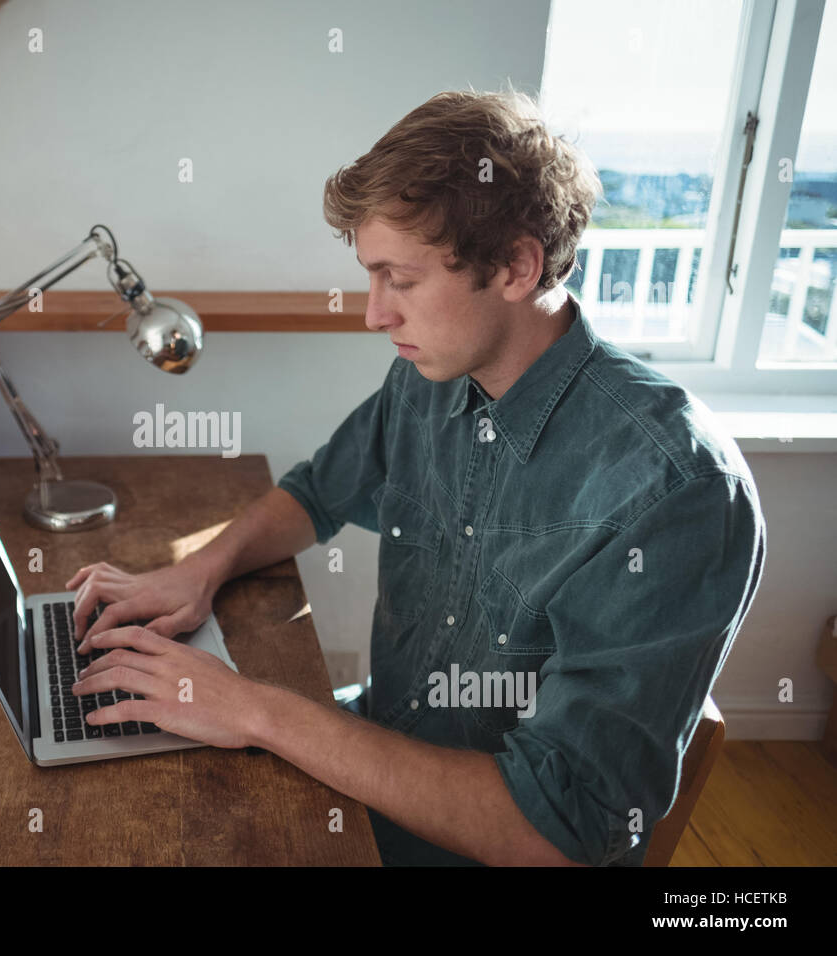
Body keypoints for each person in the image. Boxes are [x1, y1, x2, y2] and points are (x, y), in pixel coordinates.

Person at [64, 89, 766, 866]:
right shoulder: (433, 375)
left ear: (516, 265)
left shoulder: (677, 489)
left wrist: (260, 713)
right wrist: (198, 572)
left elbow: (560, 830)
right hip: (375, 745)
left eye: (399, 279)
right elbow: (319, 491)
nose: (373, 315)